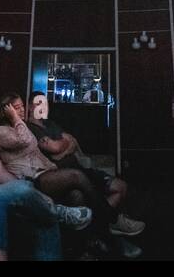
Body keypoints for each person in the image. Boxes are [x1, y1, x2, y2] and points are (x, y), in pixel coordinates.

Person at [0, 74, 89, 260]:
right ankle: (58, 211)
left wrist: (26, 190)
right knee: (25, 192)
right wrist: (12, 190)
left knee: (43, 215)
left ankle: (52, 211)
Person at [0, 93, 141, 258]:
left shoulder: (22, 126)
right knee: (76, 176)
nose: (21, 111)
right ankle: (111, 222)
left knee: (76, 196)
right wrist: (16, 119)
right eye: (16, 107)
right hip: (31, 180)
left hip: (46, 172)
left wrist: (54, 164)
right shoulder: (1, 131)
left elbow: (70, 142)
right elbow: (27, 140)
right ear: (6, 110)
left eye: (21, 107)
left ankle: (85, 250)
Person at [28, 92, 143, 237]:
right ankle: (111, 222)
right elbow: (56, 147)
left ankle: (102, 225)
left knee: (121, 187)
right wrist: (63, 146)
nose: (43, 106)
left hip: (79, 168)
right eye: (38, 103)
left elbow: (73, 142)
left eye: (45, 103)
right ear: (30, 107)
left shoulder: (51, 124)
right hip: (62, 174)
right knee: (78, 196)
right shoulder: (29, 128)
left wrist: (61, 151)